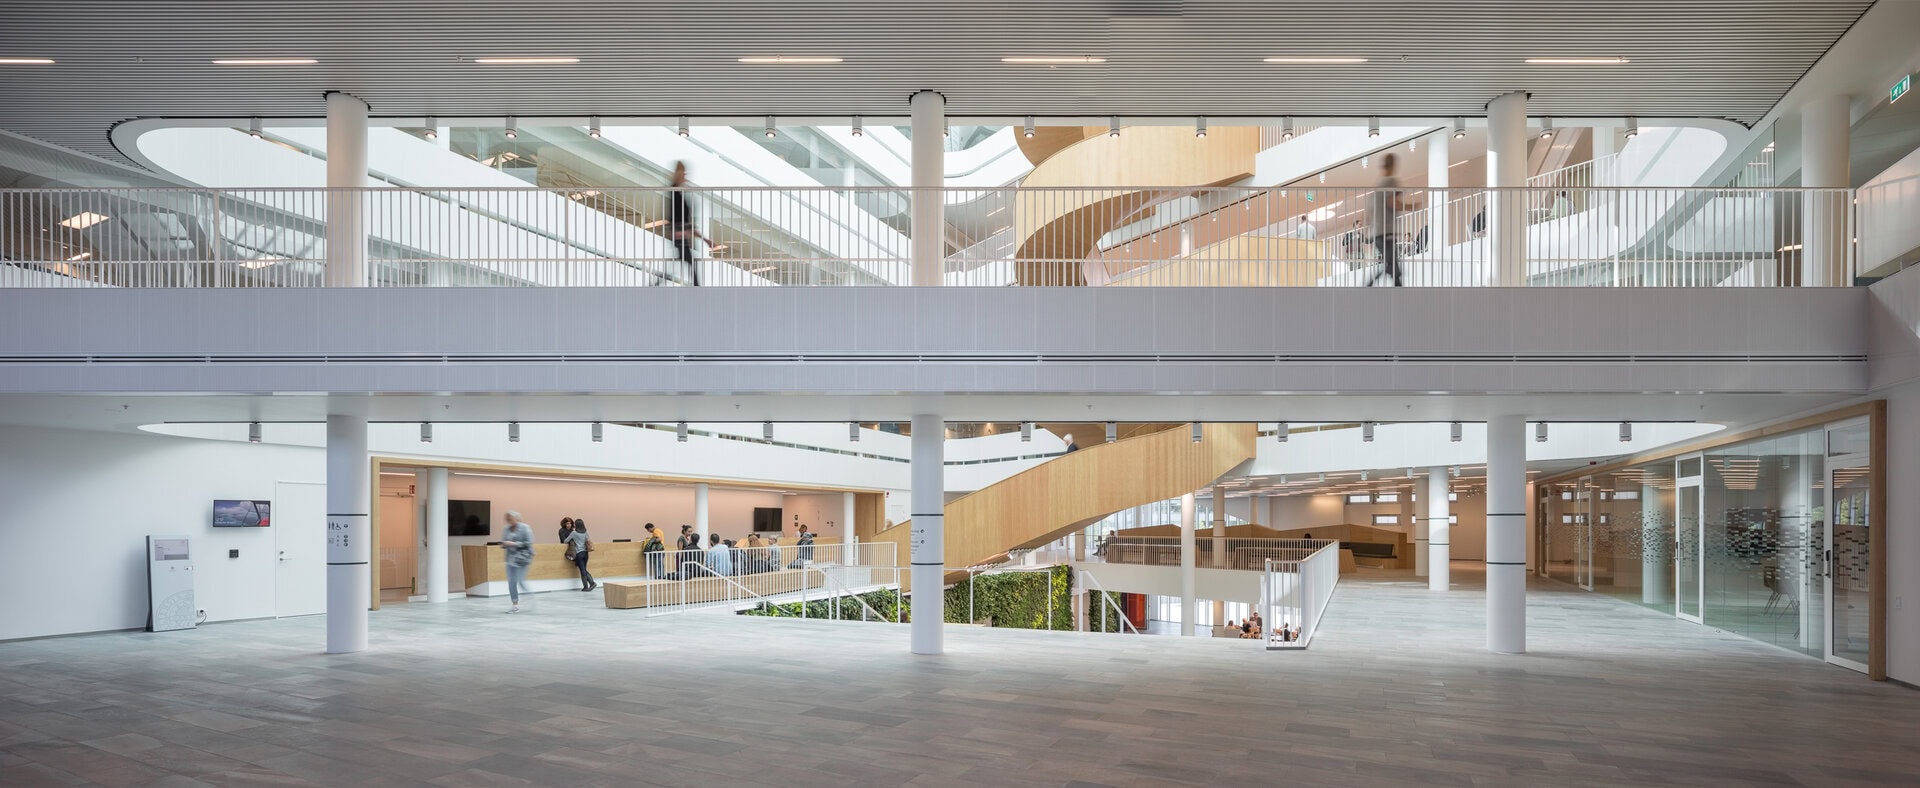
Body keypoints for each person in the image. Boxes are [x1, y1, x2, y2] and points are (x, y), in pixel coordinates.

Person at [1367, 153, 1411, 287]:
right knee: (1393, 269)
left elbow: (1370, 211)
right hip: (1387, 234)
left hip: (1378, 234)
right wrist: (1412, 206)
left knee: (1392, 267)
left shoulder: (1377, 186)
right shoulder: (1391, 181)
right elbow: (1392, 203)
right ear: (1393, 165)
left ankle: (1367, 287)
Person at [667, 161, 711, 286]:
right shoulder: (675, 194)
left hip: (682, 237)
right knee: (688, 263)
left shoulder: (679, 194)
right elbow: (675, 217)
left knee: (683, 263)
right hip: (680, 237)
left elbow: (685, 222)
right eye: (683, 173)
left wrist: (705, 240)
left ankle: (654, 285)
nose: (685, 176)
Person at [500, 511, 534, 613]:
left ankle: (529, 596)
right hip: (510, 559)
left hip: (522, 558)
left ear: (516, 518)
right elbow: (504, 541)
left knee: (520, 580)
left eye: (510, 519)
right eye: (507, 519)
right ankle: (515, 605)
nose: (508, 521)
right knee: (511, 581)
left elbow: (529, 543)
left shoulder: (525, 528)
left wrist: (513, 544)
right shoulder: (506, 529)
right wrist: (504, 544)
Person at [566, 518, 596, 592]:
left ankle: (591, 583)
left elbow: (565, 541)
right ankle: (586, 586)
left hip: (579, 553)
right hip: (586, 553)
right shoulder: (586, 532)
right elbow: (588, 540)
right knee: (584, 569)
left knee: (583, 570)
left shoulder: (574, 533)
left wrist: (572, 541)